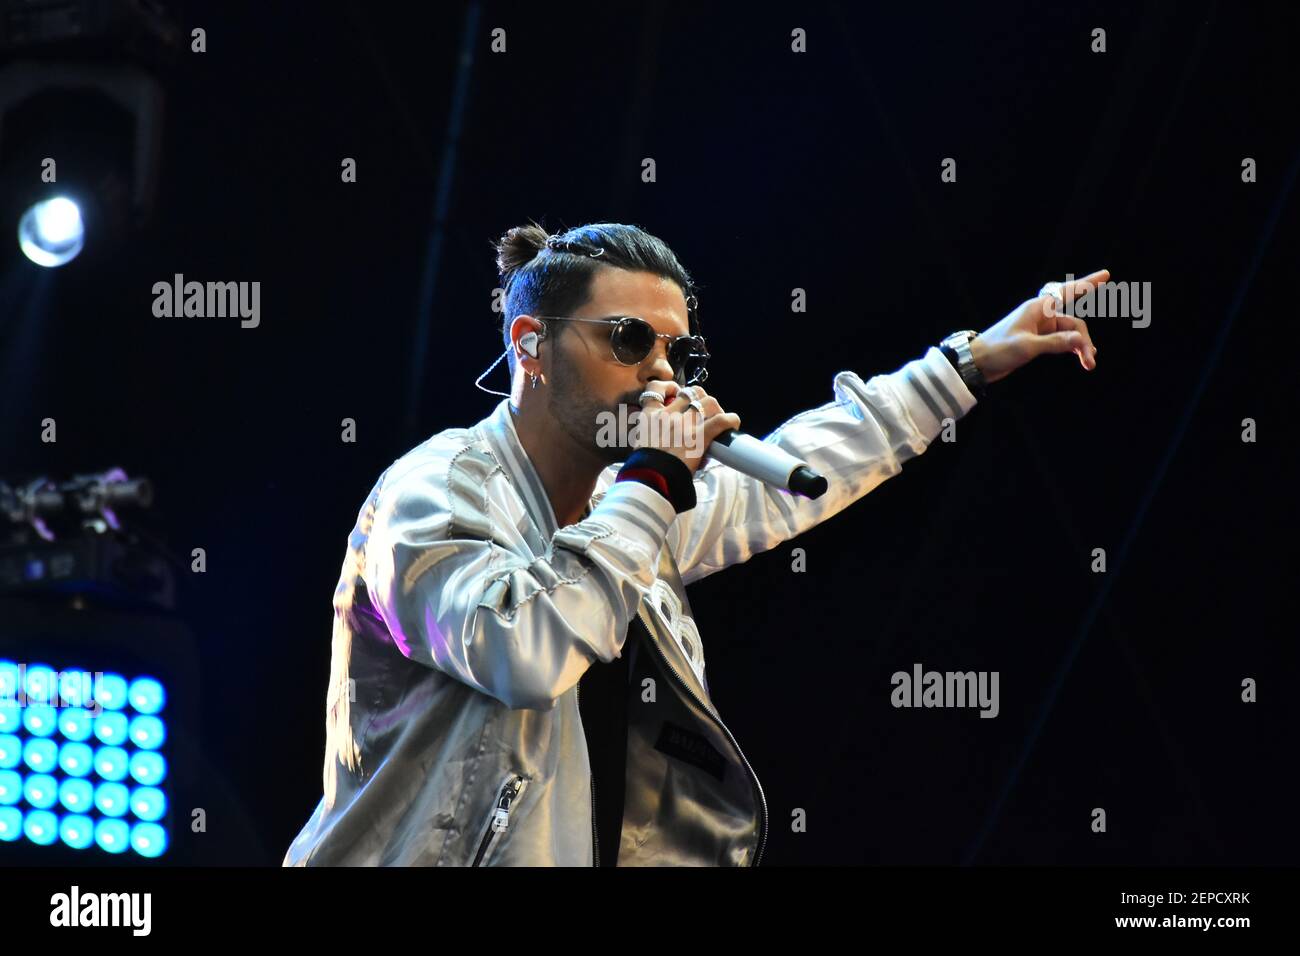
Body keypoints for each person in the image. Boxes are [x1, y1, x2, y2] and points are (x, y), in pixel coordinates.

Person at [282, 220, 1102, 866]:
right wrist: (651, 485)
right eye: (631, 340)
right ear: (529, 343)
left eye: (680, 350)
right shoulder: (435, 489)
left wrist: (969, 363)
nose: (663, 375)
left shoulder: (630, 502)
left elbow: (805, 466)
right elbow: (520, 651)